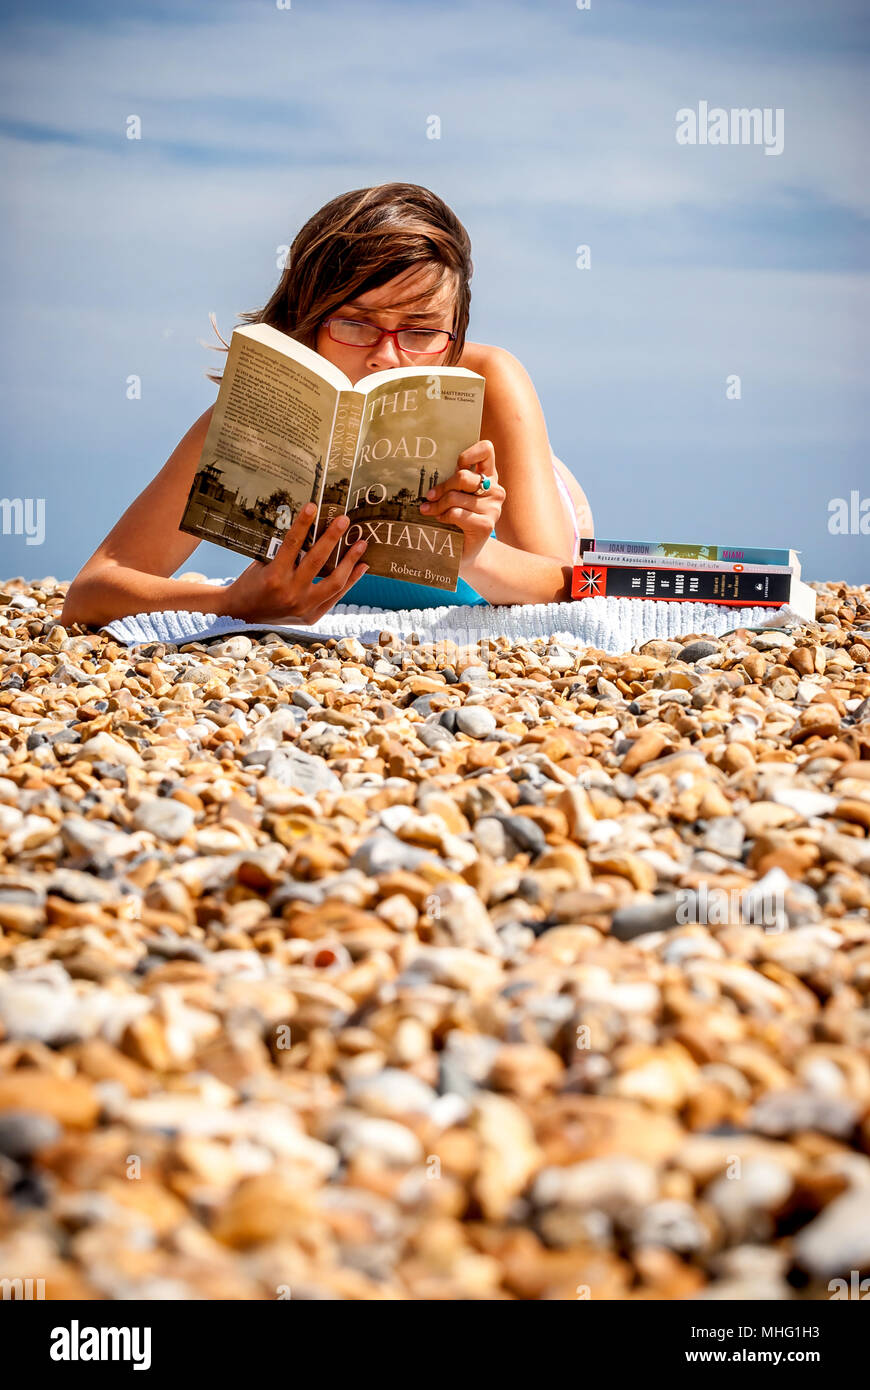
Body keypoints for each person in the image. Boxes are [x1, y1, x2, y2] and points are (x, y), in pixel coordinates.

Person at [62, 183, 594, 627]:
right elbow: (92, 590)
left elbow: (566, 580)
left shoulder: (489, 380)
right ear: (309, 317)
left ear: (455, 335)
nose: (388, 357)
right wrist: (228, 603)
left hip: (542, 489)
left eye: (421, 331)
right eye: (356, 323)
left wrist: (475, 553)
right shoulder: (265, 409)